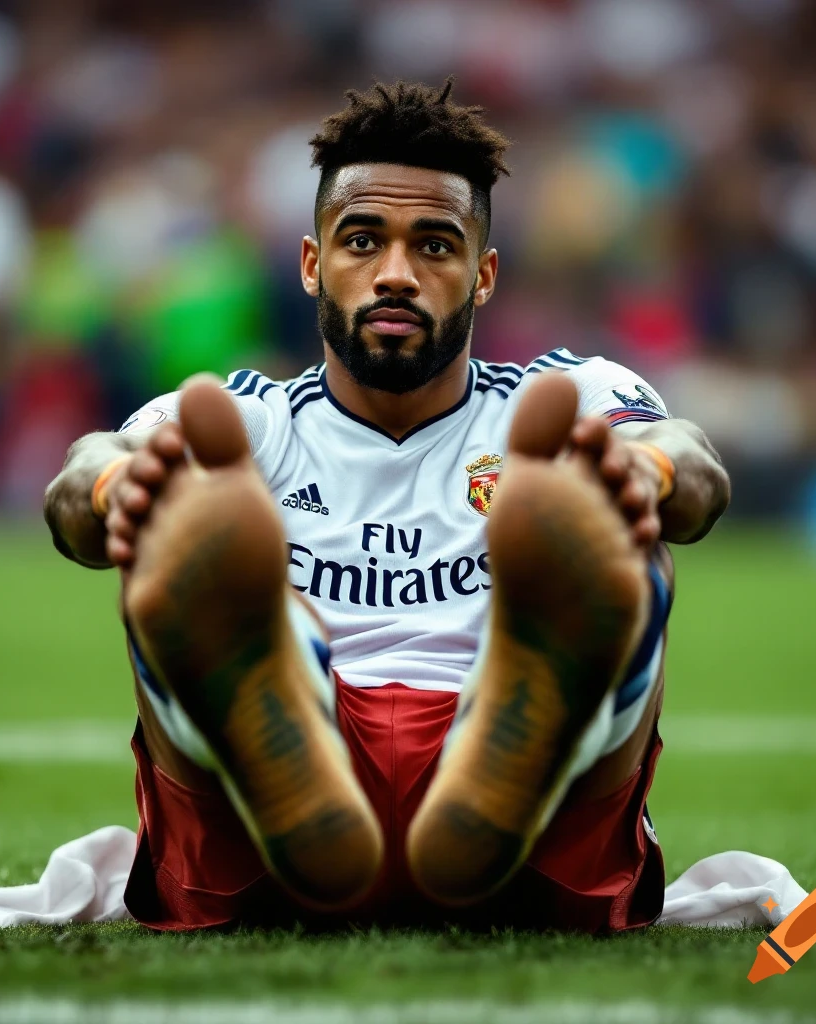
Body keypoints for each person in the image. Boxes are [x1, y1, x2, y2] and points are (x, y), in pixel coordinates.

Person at [44, 79, 730, 932]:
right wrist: (118, 488)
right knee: (177, 530)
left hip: (515, 798)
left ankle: (514, 733)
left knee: (623, 534)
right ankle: (280, 715)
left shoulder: (561, 402)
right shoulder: (245, 422)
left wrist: (644, 476)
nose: (396, 275)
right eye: (363, 240)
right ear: (310, 264)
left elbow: (691, 461)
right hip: (286, 801)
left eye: (435, 246)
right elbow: (84, 472)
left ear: (482, 277)